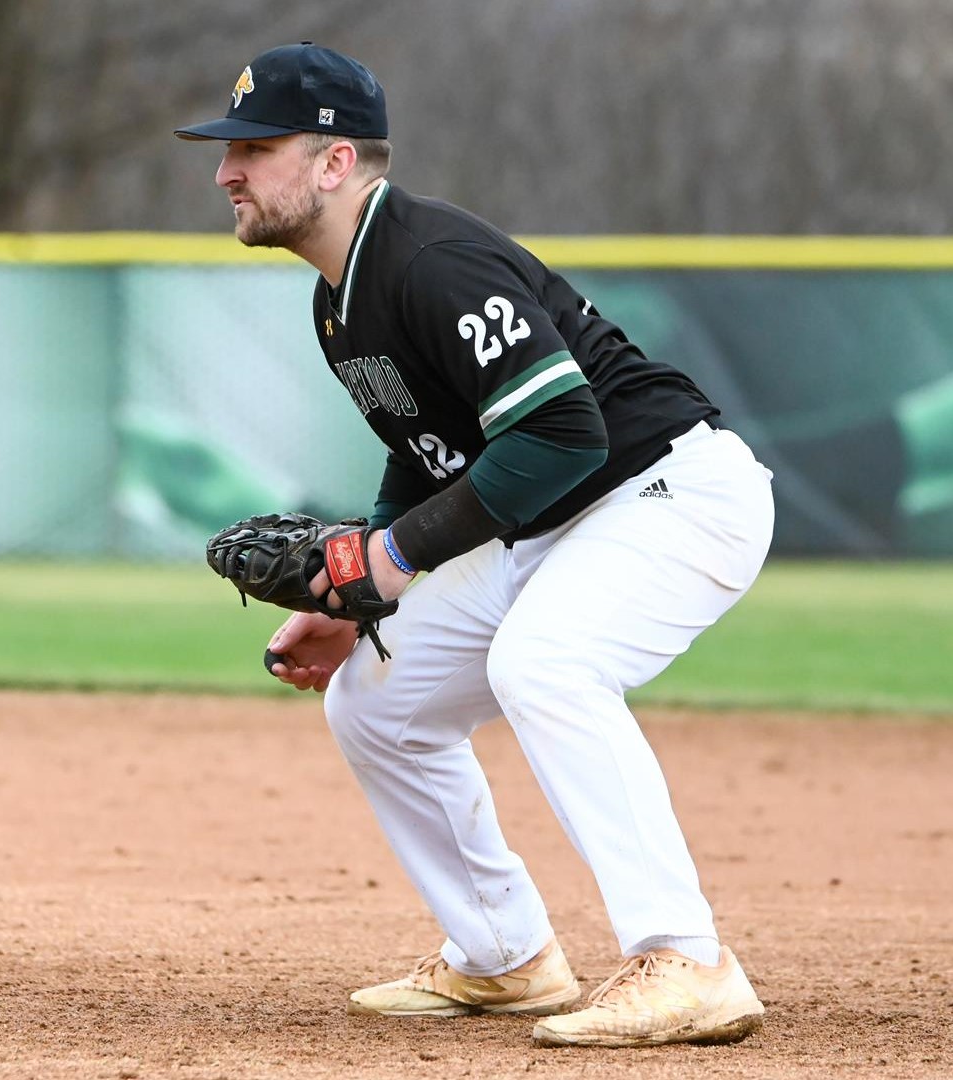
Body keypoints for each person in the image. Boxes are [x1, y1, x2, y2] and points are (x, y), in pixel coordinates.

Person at [176, 43, 774, 1048]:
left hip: (669, 493)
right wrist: (358, 596)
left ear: (333, 163)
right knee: (375, 701)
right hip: (557, 519)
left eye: (256, 146)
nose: (227, 169)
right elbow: (430, 459)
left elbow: (564, 431)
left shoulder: (431, 263)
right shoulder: (340, 299)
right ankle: (505, 959)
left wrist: (387, 563)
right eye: (229, 149)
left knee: (546, 660)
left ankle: (688, 961)